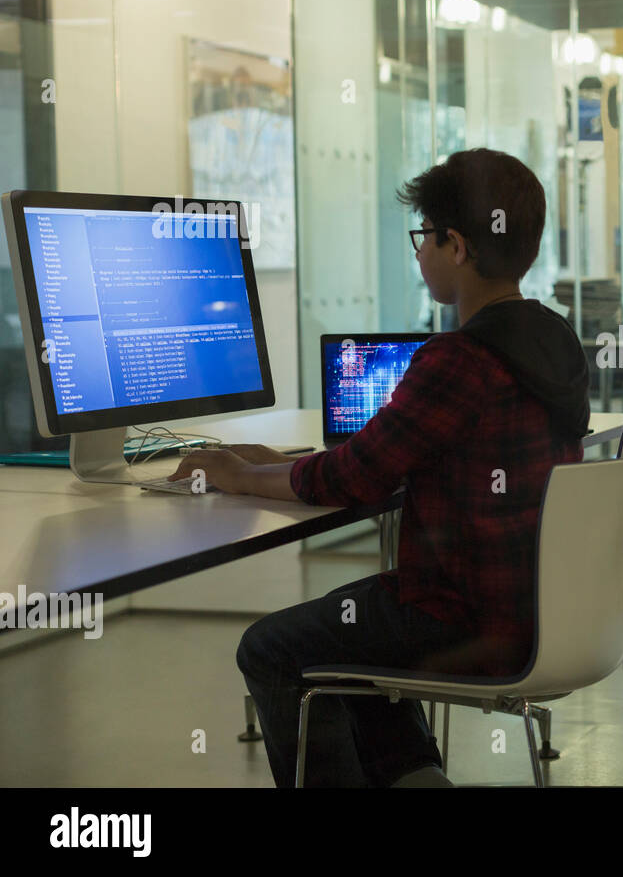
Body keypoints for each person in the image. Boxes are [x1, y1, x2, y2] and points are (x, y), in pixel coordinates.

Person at [172, 148, 590, 786]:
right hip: (544, 606)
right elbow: (381, 454)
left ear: (455, 246)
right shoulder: (551, 338)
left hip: (464, 615)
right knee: (346, 628)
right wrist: (274, 463)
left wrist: (235, 476)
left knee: (274, 648)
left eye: (424, 236)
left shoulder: (459, 359)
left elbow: (351, 480)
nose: (418, 252)